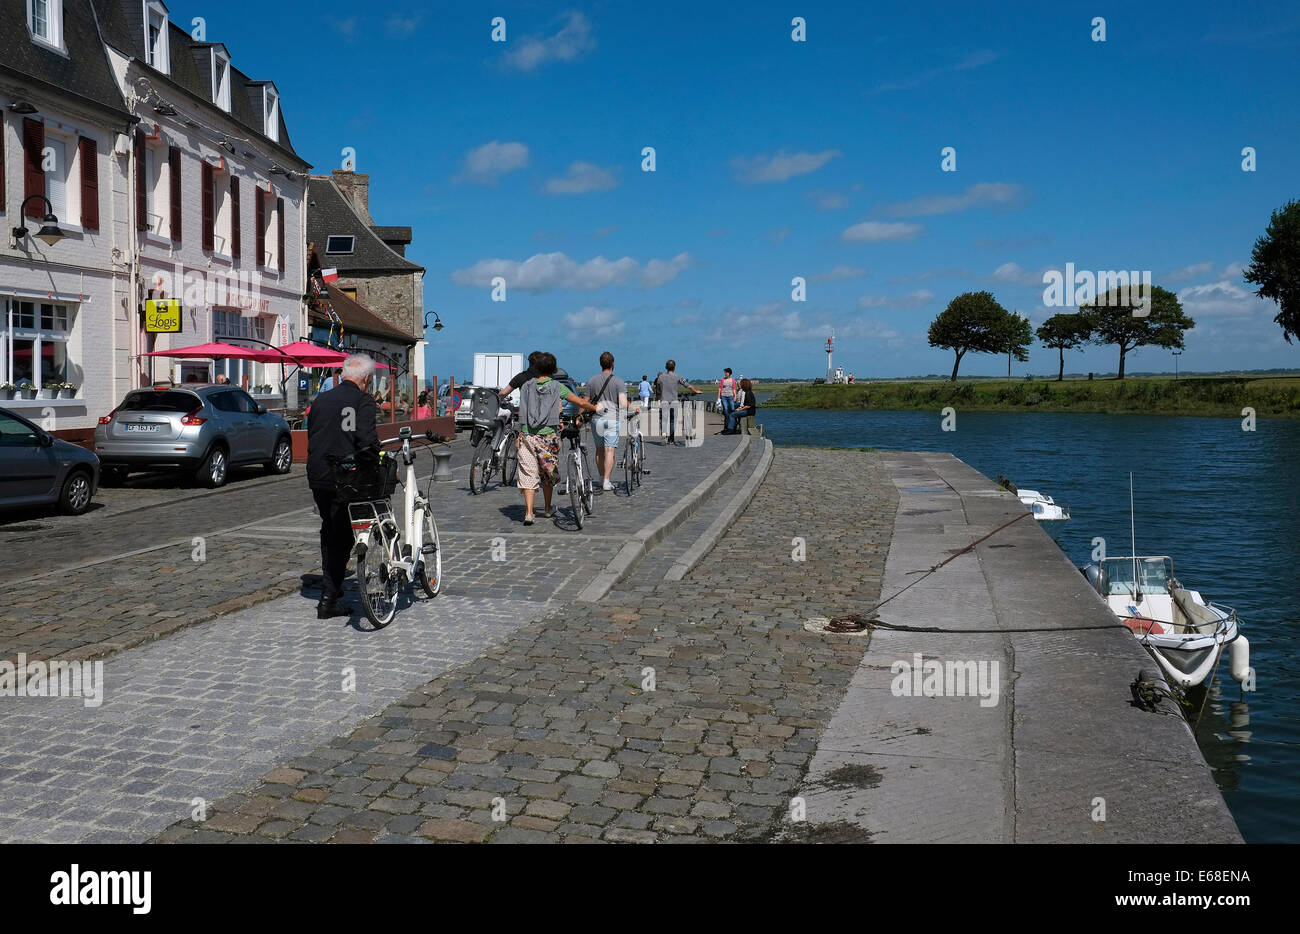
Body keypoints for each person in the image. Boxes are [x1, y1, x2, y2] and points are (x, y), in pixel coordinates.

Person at [306, 354, 380, 619]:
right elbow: (365, 441)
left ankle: (331, 592)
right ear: (367, 379)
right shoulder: (363, 401)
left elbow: (313, 433)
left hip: (318, 474)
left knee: (330, 530)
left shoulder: (321, 400)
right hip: (346, 477)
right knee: (344, 536)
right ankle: (329, 598)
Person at [516, 352, 598, 525]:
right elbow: (580, 402)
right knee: (548, 472)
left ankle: (529, 512)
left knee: (528, 472)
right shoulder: (556, 387)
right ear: (553, 369)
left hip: (527, 435)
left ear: (536, 368)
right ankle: (547, 509)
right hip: (547, 436)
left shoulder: (526, 386)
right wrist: (595, 407)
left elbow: (522, 409)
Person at [586, 351, 628, 491]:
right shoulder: (618, 381)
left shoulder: (592, 381)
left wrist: (579, 416)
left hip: (596, 419)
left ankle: (600, 477)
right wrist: (632, 407)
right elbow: (622, 403)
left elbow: (585, 401)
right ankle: (606, 481)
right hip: (611, 419)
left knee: (599, 450)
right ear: (613, 364)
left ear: (600, 363)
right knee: (609, 450)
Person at [656, 359, 700, 445]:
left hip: (664, 401)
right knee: (673, 421)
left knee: (663, 420)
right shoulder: (678, 376)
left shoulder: (660, 378)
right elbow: (687, 385)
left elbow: (658, 391)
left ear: (666, 367)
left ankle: (663, 433)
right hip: (674, 401)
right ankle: (671, 439)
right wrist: (695, 390)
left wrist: (658, 399)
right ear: (674, 367)